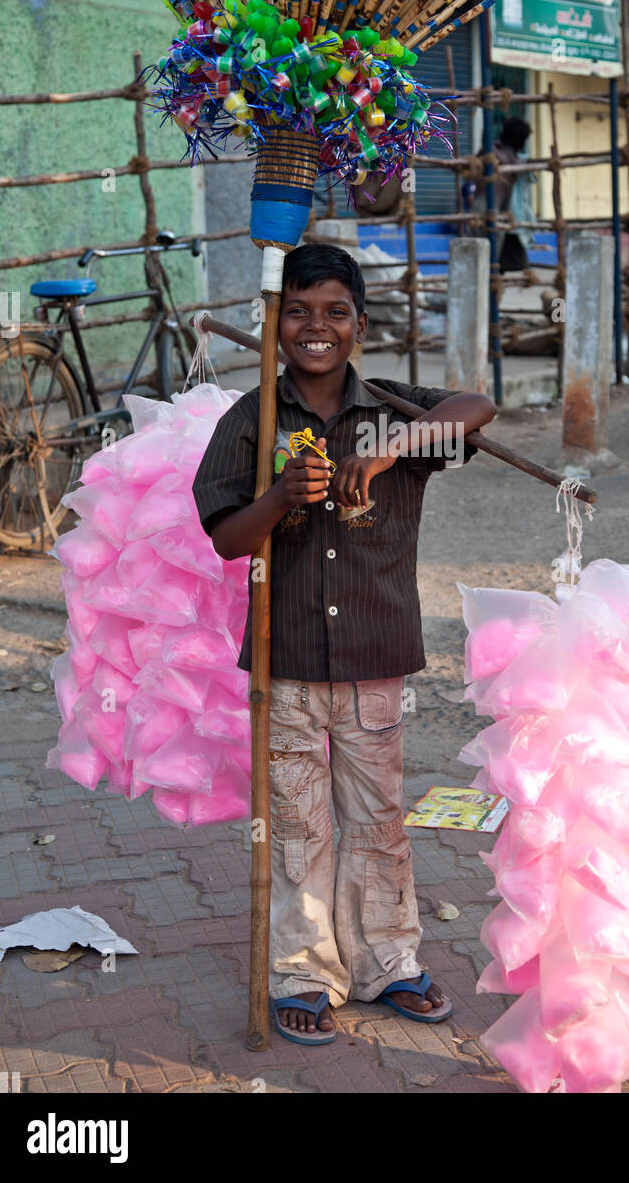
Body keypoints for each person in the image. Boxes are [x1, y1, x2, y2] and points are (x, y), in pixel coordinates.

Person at [191, 244, 496, 1044]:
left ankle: (387, 963)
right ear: (274, 323)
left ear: (359, 326)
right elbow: (226, 538)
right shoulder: (251, 418)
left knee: (378, 819)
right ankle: (302, 971)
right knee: (298, 827)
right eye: (297, 311)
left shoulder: (395, 411)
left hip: (374, 659)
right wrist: (281, 496)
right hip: (285, 663)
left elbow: (477, 405)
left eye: (333, 313)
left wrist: (395, 446)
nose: (314, 327)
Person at [467, 116, 536, 271]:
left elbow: (473, 169)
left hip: (480, 207)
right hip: (494, 210)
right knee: (491, 258)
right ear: (521, 143)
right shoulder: (517, 161)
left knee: (476, 255)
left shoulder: (490, 152)